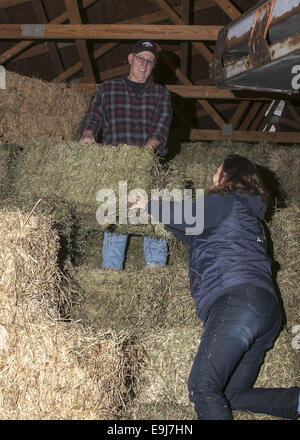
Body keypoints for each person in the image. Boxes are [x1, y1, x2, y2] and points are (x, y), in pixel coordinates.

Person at [131, 154, 300, 420]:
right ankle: (296, 402)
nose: (212, 178)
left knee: (203, 387)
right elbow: (193, 232)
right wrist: (160, 218)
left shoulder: (225, 202)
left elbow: (187, 215)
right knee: (232, 394)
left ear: (230, 177)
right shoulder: (253, 221)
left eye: (217, 172)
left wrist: (149, 204)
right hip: (267, 312)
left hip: (237, 302)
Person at [79, 40, 172, 270]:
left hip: (149, 169)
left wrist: (146, 153)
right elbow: (94, 116)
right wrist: (88, 133)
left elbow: (160, 129)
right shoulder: (108, 89)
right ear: (130, 59)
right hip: (116, 169)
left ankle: (155, 272)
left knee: (152, 220)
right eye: (141, 58)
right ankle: (111, 272)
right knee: (115, 221)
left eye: (150, 61)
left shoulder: (160, 94)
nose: (145, 64)